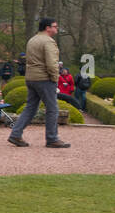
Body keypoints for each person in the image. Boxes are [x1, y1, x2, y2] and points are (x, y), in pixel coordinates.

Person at [8, 18, 70, 149]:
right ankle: (52, 139)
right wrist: (55, 78)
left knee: (30, 108)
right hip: (44, 79)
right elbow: (52, 63)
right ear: (48, 28)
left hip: (31, 78)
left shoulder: (33, 39)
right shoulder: (48, 42)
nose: (56, 29)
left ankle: (16, 134)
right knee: (52, 109)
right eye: (55, 26)